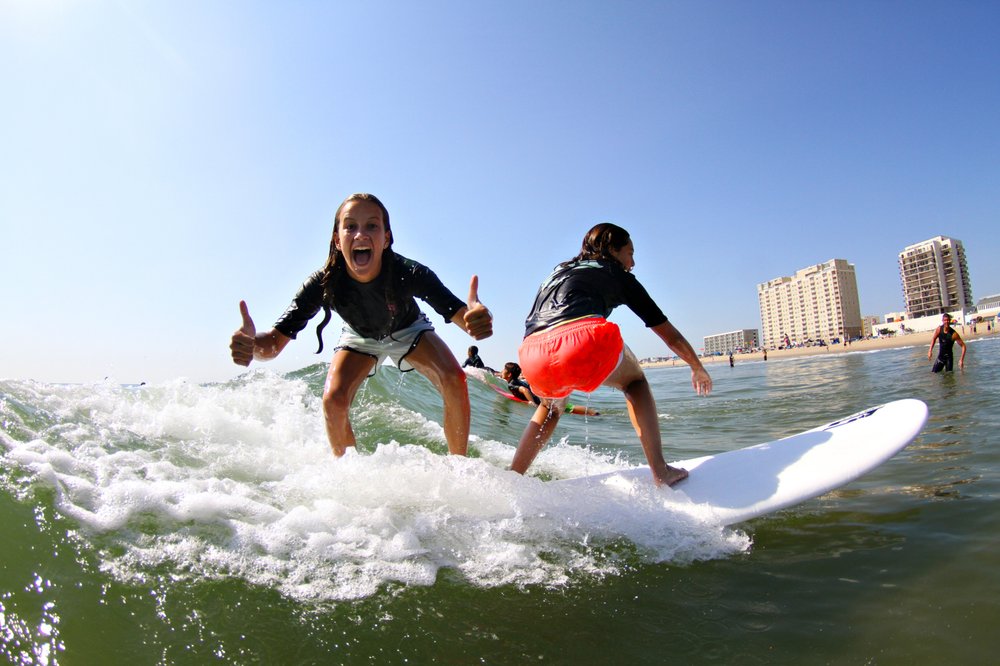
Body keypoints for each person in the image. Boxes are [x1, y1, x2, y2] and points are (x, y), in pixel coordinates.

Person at [230, 193, 493, 457]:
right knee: (333, 400)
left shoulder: (409, 272)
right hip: (358, 335)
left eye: (371, 226)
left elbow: (466, 320)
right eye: (350, 226)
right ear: (337, 238)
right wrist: (252, 347)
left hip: (408, 327)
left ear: (386, 238)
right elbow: (273, 345)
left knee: (454, 378)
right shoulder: (323, 283)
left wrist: (479, 320)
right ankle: (348, 475)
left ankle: (459, 466)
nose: (360, 234)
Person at [510, 223, 712, 486]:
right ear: (612, 250)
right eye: (630, 253)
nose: (633, 262)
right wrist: (696, 366)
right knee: (635, 382)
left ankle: (512, 478)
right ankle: (661, 472)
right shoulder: (618, 274)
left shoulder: (559, 269)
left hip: (531, 352)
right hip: (581, 340)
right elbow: (667, 333)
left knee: (550, 408)